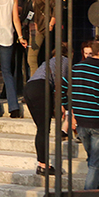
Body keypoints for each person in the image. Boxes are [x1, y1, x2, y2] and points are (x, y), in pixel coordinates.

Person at [69, 39, 99, 190]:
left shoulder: (75, 68)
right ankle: (88, 194)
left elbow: (66, 89)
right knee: (95, 163)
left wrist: (70, 111)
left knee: (93, 159)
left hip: (81, 122)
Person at [21, 44, 71, 175]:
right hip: (41, 89)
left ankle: (41, 163)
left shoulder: (47, 62)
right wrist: (62, 104)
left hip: (30, 87)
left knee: (41, 129)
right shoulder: (65, 61)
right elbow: (62, 83)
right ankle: (43, 165)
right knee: (43, 129)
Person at [21, 0, 55, 77]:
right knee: (30, 58)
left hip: (38, 28)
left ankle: (35, 82)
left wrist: (51, 22)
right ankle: (34, 81)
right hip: (31, 27)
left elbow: (56, 5)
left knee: (31, 58)